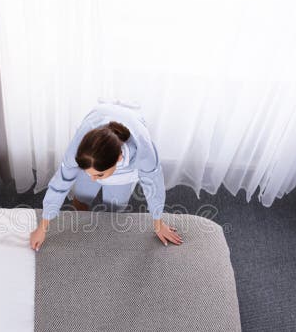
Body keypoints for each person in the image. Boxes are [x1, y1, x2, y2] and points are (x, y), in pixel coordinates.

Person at [30, 102, 182, 251]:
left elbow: (154, 188)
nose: (93, 179)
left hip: (126, 169)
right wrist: (42, 228)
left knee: (115, 207)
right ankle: (81, 216)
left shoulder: (144, 153)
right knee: (82, 195)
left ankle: (107, 236)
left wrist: (158, 224)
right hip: (100, 117)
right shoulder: (77, 149)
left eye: (99, 175)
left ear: (118, 159)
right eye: (89, 173)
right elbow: (60, 185)